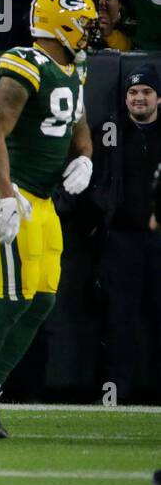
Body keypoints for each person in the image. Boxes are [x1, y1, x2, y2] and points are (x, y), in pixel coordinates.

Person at [0, 0, 95, 438]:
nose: (91, 30)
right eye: (84, 21)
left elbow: (79, 122)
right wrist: (6, 194)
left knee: (43, 298)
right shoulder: (25, 63)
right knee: (13, 296)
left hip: (45, 200)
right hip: (17, 196)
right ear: (60, 21)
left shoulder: (76, 66)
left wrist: (85, 156)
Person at [84, 63, 161, 403]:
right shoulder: (109, 133)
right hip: (122, 240)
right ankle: (114, 396)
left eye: (145, 91)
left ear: (159, 97)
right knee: (119, 321)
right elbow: (91, 181)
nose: (139, 98)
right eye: (133, 92)